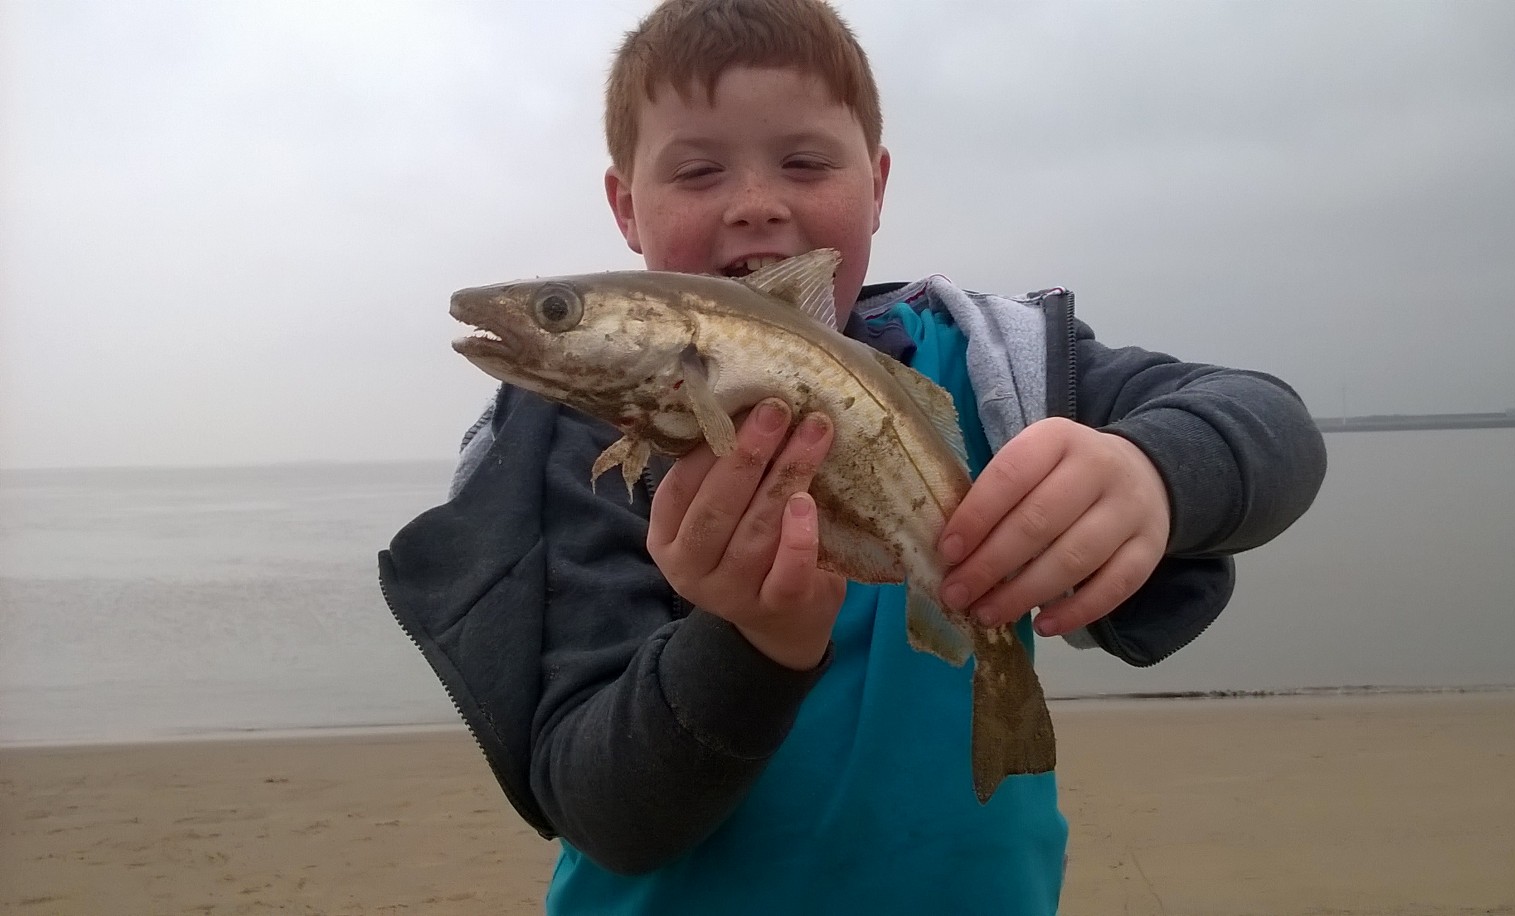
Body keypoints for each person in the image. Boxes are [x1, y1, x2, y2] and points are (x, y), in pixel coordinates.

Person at [379, 0, 1327, 912]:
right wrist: (748, 645)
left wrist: (1151, 475)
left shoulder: (1004, 367)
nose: (756, 206)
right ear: (626, 207)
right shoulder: (560, 454)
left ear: (876, 182)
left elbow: (1273, 426)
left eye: (803, 161)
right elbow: (596, 808)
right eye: (698, 172)